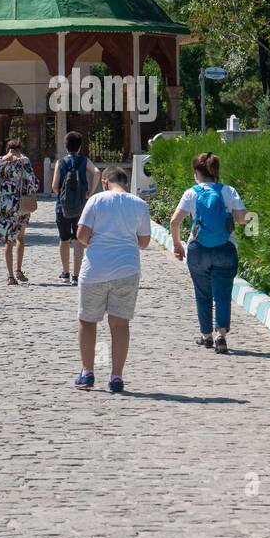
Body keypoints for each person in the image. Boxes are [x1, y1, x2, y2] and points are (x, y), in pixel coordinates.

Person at [74, 165, 151, 393]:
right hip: (127, 270)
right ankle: (116, 376)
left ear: (105, 181)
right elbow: (144, 242)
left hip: (95, 269)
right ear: (125, 182)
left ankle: (88, 373)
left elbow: (81, 235)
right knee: (119, 325)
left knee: (88, 321)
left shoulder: (96, 200)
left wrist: (98, 244)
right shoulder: (139, 204)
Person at [169, 152, 248, 354]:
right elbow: (242, 220)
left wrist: (177, 245)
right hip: (225, 249)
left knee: (202, 294)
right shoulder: (229, 191)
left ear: (197, 172)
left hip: (198, 250)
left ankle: (206, 336)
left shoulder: (191, 193)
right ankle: (221, 335)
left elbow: (174, 221)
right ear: (216, 172)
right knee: (222, 294)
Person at [0, 138, 38, 286]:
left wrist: (3, 191)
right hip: (21, 204)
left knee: (8, 241)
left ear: (7, 148)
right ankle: (19, 270)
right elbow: (33, 182)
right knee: (21, 238)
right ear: (19, 148)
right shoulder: (24, 160)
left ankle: (10, 276)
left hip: (6, 204)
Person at [52, 130, 100, 286]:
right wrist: (90, 192)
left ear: (66, 147)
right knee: (79, 240)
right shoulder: (84, 161)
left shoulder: (61, 162)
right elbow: (97, 172)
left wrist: (63, 193)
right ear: (79, 147)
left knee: (64, 239)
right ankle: (76, 276)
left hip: (62, 207)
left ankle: (65, 273)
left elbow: (54, 187)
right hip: (81, 207)